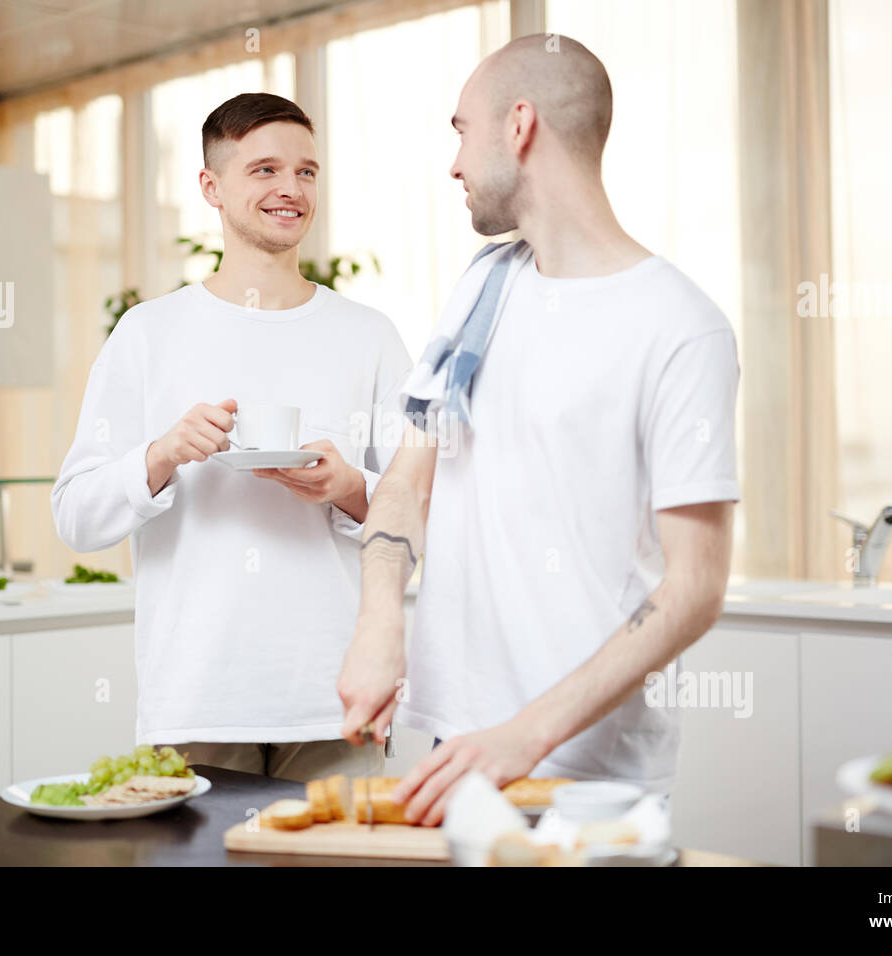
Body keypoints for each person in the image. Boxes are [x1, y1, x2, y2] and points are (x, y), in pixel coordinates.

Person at [337, 35, 741, 824]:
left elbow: (695, 586)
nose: (453, 163)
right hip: (459, 754)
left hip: (588, 779)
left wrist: (523, 736)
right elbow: (406, 487)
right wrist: (379, 622)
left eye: (461, 130)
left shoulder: (681, 328)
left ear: (518, 125)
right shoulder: (483, 290)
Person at [52, 92, 412, 782]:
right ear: (211, 188)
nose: (290, 189)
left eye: (306, 172)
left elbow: (423, 515)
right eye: (265, 170)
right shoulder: (148, 334)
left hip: (338, 699)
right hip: (197, 705)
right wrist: (161, 455)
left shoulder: (369, 336)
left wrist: (349, 488)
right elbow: (75, 517)